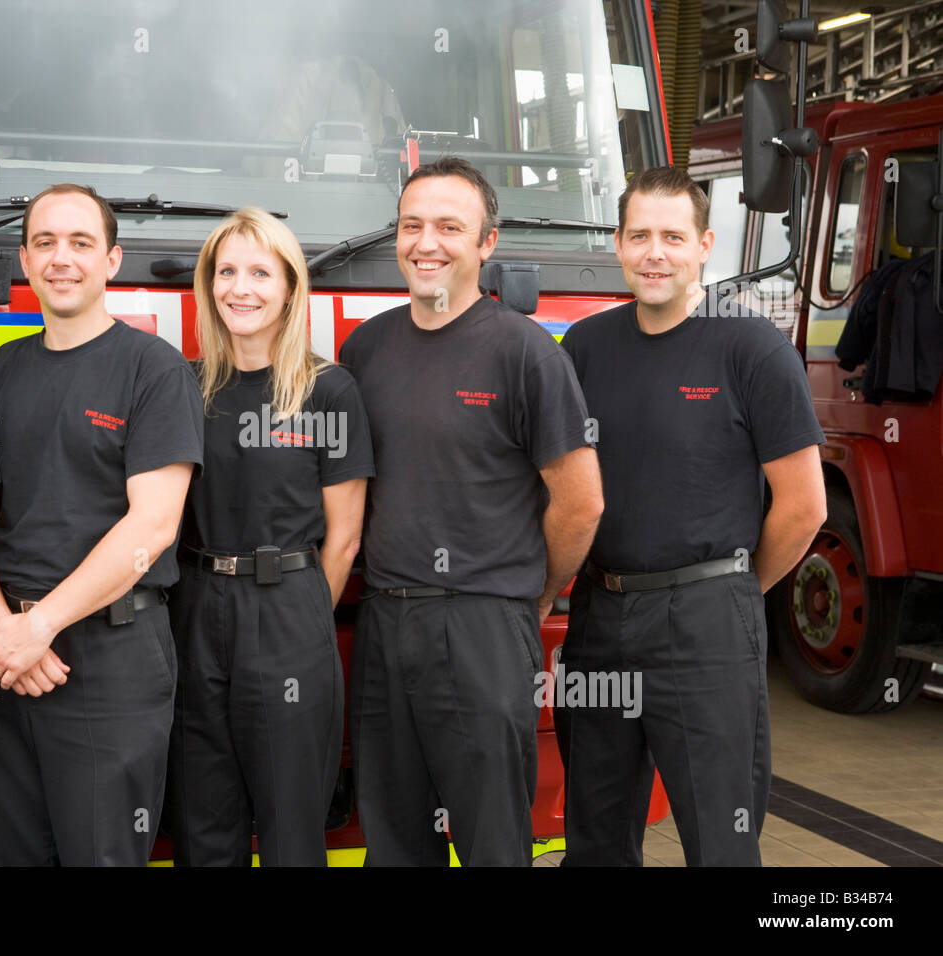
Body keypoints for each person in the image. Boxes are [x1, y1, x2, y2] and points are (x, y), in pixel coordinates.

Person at [556, 165, 827, 866]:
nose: (655, 252)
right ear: (617, 243)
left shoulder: (752, 349)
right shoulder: (583, 348)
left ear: (706, 244)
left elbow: (803, 508)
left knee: (720, 838)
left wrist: (729, 593)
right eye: (639, 234)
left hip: (707, 620)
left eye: (673, 236)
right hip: (600, 617)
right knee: (595, 834)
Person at [338, 156, 604, 866]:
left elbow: (581, 502)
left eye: (449, 227)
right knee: (392, 840)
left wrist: (528, 595)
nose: (427, 243)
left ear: (487, 243)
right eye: (412, 226)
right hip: (387, 622)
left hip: (485, 623)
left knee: (491, 841)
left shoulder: (525, 353)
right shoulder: (365, 349)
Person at [0, 183, 204, 866]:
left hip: (109, 658)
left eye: (80, 243)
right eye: (45, 243)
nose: (61, 259)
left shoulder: (153, 370)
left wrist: (40, 628)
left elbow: (151, 525)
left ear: (112, 260)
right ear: (25, 263)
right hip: (3, 659)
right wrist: (4, 632)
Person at [167, 208, 374, 866]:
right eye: (226, 271)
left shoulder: (327, 391)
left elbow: (342, 539)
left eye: (260, 272)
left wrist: (300, 608)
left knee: (290, 828)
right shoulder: (183, 388)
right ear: (208, 284)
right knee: (205, 825)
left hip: (289, 612)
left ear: (289, 287)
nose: (241, 287)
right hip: (196, 610)